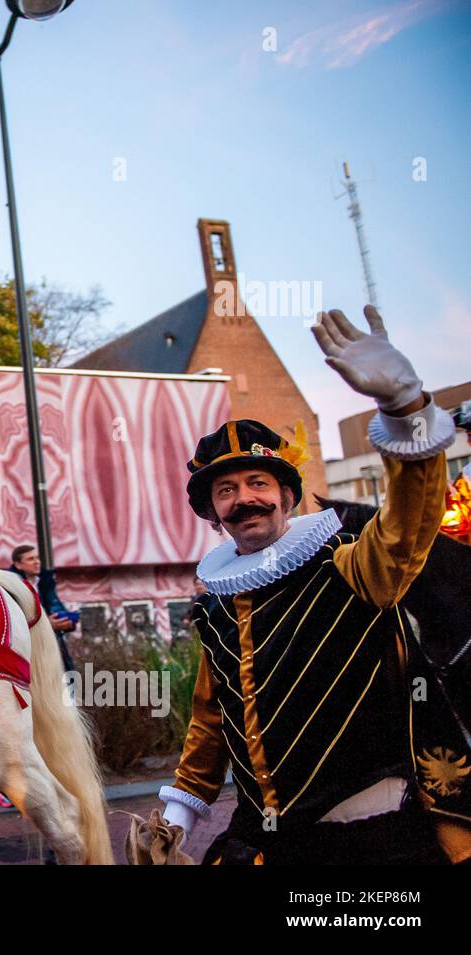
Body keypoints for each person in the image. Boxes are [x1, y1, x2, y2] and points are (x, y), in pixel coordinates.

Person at [159, 306, 469, 865]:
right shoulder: (219, 606)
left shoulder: (353, 566)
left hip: (370, 837)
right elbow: (212, 719)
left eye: (258, 481)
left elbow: (411, 522)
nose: (244, 498)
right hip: (269, 838)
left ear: (287, 496)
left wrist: (405, 409)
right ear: (213, 513)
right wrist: (183, 808)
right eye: (225, 490)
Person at [7, 544, 77, 673]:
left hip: (54, 648)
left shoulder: (45, 582)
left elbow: (56, 608)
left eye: (37, 558)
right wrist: (47, 624)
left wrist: (67, 621)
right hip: (29, 652)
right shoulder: (11, 588)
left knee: (66, 687)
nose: (37, 562)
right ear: (18, 565)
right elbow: (14, 624)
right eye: (30, 559)